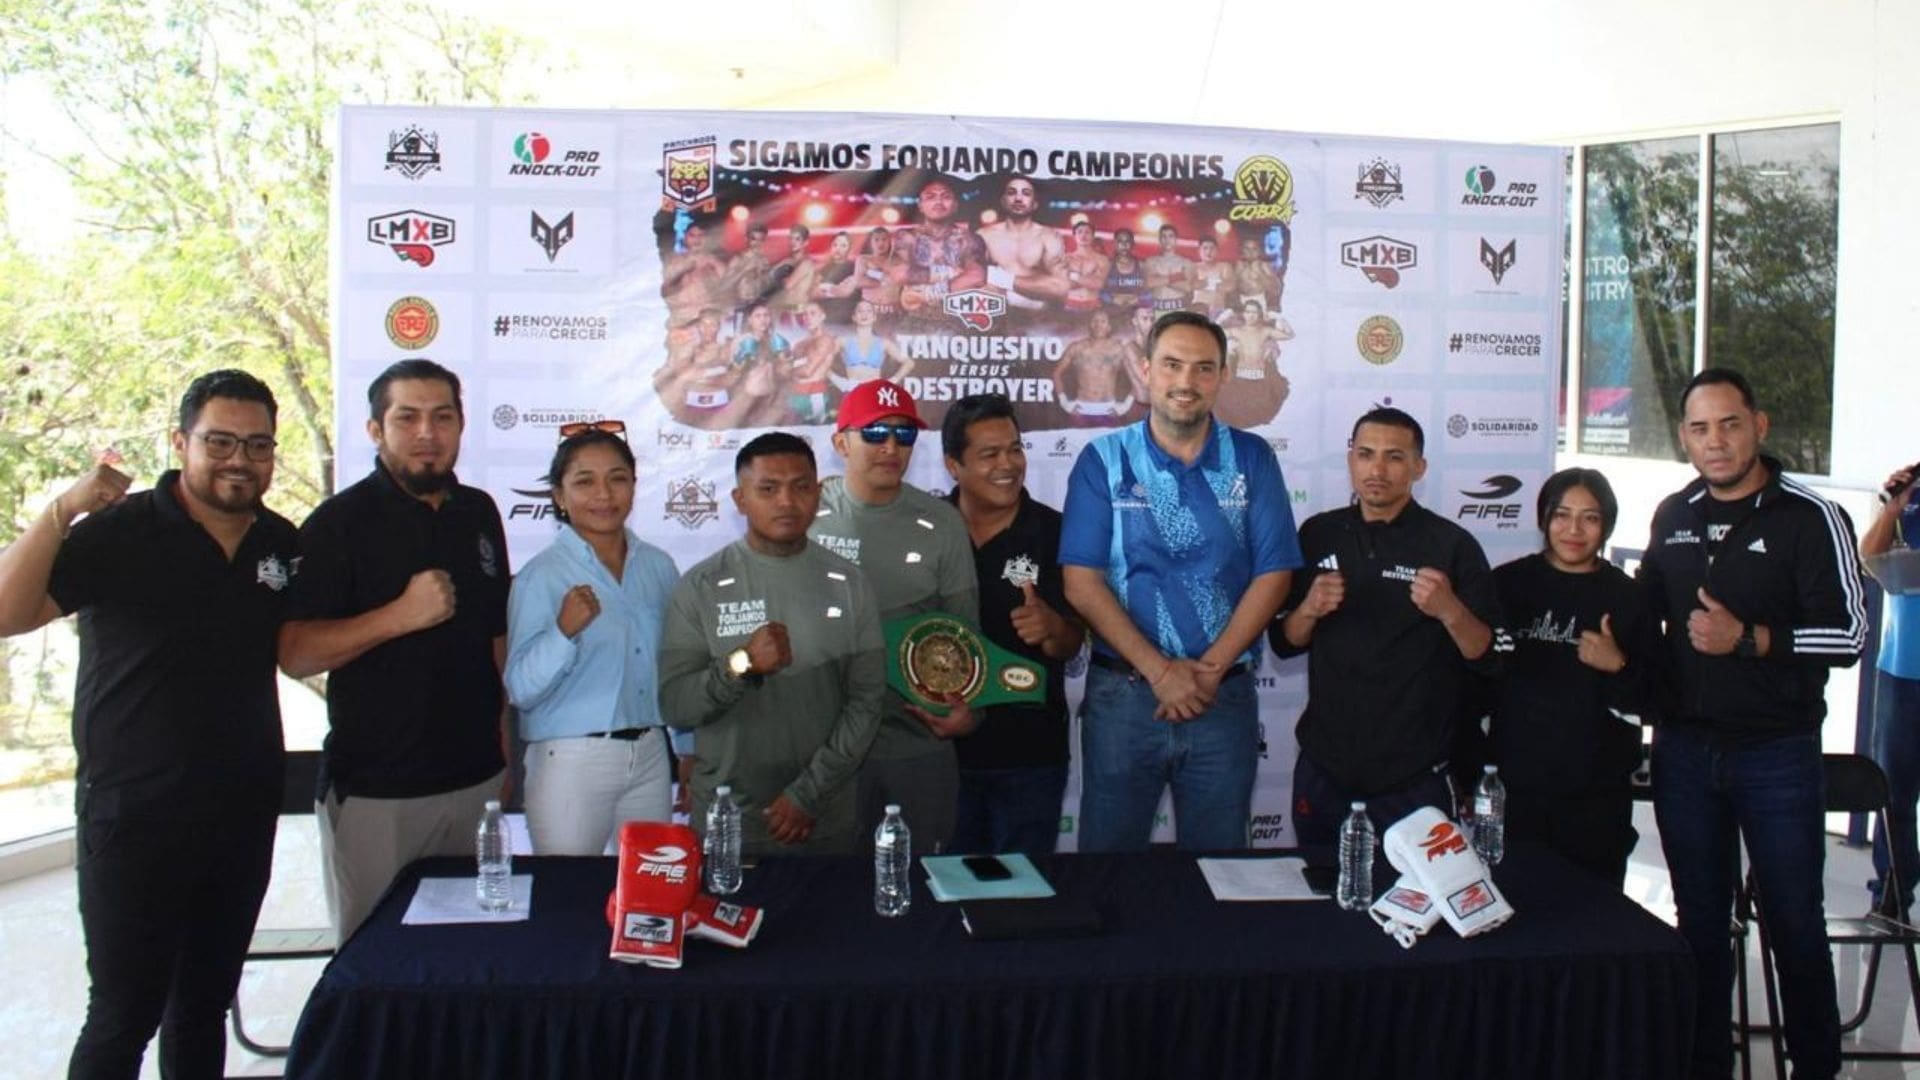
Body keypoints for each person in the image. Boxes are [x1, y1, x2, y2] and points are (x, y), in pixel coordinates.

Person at [0, 370, 298, 1080]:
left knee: (201, 1006)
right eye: (219, 441)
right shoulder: (120, 531)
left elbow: (300, 647)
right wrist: (61, 510)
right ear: (180, 442)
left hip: (241, 813)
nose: (239, 460)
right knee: (124, 1014)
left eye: (257, 445)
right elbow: (10, 613)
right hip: (134, 815)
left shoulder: (281, 542)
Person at [1640, 367, 1864, 1080]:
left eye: (1729, 424)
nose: (1716, 441)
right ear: (1684, 437)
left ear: (1759, 426)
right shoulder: (1673, 514)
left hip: (1776, 754)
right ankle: (1706, 1065)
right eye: (1700, 429)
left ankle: (1817, 1068)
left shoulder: (1810, 516)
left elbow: (1852, 636)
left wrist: (1751, 638)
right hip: (1684, 751)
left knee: (1795, 925)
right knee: (1699, 928)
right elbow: (1643, 620)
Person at [279, 358, 511, 939]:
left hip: (476, 781)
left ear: (461, 425)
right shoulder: (338, 523)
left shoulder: (478, 511)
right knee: (376, 965)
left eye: (442, 417)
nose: (427, 433)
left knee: (471, 956)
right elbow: (296, 653)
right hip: (380, 793)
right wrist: (397, 617)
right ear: (376, 430)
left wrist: (506, 743)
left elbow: (495, 636)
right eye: (407, 418)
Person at [1061, 311, 1301, 851]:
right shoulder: (1103, 460)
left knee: (1220, 875)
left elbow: (1275, 574)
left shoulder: (1253, 458)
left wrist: (1208, 672)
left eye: (1202, 368)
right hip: (1124, 701)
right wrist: (1159, 673)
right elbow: (1081, 582)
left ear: (1221, 376)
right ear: (1145, 370)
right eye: (1172, 365)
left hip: (1222, 700)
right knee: (1107, 872)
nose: (1186, 382)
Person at [1270, 407, 1507, 847]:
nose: (1377, 469)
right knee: (1316, 905)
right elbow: (1283, 643)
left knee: (1412, 909)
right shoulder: (1318, 534)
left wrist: (1449, 610)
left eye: (1394, 457)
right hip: (1325, 769)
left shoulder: (1450, 545)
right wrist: (1308, 610)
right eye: (1366, 454)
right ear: (1350, 460)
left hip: (1413, 778)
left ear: (1419, 467)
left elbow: (1491, 657)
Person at [658, 433, 885, 855]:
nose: (786, 501)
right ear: (740, 499)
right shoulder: (701, 586)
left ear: (817, 495)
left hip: (824, 816)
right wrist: (741, 662)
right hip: (729, 820)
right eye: (768, 489)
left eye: (801, 487)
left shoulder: (849, 583)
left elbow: (866, 702)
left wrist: (807, 794)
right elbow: (676, 705)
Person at [811, 379, 980, 848]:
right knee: (822, 889)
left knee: (921, 890)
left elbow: (964, 633)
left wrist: (969, 712)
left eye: (904, 435)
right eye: (875, 433)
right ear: (841, 442)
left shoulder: (942, 521)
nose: (890, 447)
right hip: (822, 747)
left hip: (916, 743)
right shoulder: (804, 513)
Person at [504, 426, 680, 855]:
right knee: (567, 899)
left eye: (617, 478)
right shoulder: (541, 576)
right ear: (559, 498)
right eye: (584, 481)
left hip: (652, 753)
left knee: (646, 895)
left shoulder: (659, 567)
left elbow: (678, 666)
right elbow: (520, 689)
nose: (603, 493)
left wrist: (687, 748)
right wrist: (563, 632)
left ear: (634, 487)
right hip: (571, 759)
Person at [1486, 467, 1658, 886]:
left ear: (1607, 525)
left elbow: (1655, 699)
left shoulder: (1629, 597)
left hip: (1595, 797)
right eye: (1562, 515)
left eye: (1590, 518)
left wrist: (1617, 664)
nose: (1573, 530)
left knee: (1592, 927)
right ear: (1544, 518)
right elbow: (1473, 683)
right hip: (1514, 790)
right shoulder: (1506, 584)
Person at [940, 394, 1084, 854]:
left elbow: (1072, 642)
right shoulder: (927, 531)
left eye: (1015, 449)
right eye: (989, 454)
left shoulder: (1056, 531)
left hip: (1028, 756)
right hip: (939, 756)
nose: (1009, 464)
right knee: (940, 901)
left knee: (1021, 901)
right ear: (952, 465)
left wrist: (1053, 628)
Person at [1865, 460, 1920, 913]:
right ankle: (1892, 889)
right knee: (1894, 787)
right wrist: (1891, 508)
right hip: (1903, 667)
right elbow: (1871, 557)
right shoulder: (1911, 492)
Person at [898, 174, 987, 326]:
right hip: (915, 319)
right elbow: (900, 274)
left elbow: (977, 276)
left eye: (945, 196)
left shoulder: (969, 239)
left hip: (959, 320)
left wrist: (934, 291)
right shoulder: (907, 238)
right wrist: (955, 275)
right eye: (930, 197)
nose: (938, 202)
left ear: (955, 205)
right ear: (920, 205)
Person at [978, 174, 1070, 311]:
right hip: (997, 319)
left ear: (1034, 204)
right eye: (1011, 193)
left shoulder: (1048, 237)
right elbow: (969, 278)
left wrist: (1002, 280)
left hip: (1038, 321)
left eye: (1026, 194)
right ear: (1003, 201)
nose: (1018, 198)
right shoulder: (985, 236)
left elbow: (1060, 288)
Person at [1214, 297, 1292, 430]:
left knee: (1260, 415)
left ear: (1259, 315)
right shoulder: (1236, 331)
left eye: (1254, 312)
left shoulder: (1265, 330)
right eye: (1248, 312)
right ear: (1243, 314)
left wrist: (1279, 318)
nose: (1251, 316)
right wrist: (1222, 318)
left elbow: (1289, 335)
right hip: (1240, 380)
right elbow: (1214, 333)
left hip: (1260, 380)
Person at [1052, 308, 1137, 425]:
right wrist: (1064, 403)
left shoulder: (1119, 349)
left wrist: (1126, 405)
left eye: (1103, 321)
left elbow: (1137, 377)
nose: (1098, 325)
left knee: (1110, 443)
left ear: (1109, 326)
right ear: (1090, 324)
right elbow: (1057, 373)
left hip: (1109, 410)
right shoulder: (1076, 347)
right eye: (1095, 321)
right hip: (1081, 410)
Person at [832, 298, 914, 391]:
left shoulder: (884, 343)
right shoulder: (843, 341)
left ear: (874, 317)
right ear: (854, 317)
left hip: (875, 391)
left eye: (868, 311)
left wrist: (893, 381)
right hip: (852, 391)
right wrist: (839, 381)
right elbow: (821, 361)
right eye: (860, 311)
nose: (864, 314)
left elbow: (909, 363)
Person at [1063, 220, 1111, 313]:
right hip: (1071, 305)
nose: (1083, 235)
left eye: (1087, 232)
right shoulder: (1066, 258)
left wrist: (1073, 275)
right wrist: (1088, 279)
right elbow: (1065, 285)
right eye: (1079, 232)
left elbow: (1099, 284)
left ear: (1093, 236)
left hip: (1093, 305)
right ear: (1074, 236)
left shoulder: (1102, 260)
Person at [1144, 224, 1193, 313]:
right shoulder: (1151, 261)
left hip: (1179, 307)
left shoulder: (1186, 262)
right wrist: (1178, 277)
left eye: (1171, 236)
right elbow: (1149, 282)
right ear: (1159, 239)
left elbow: (1187, 287)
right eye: (1164, 236)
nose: (1167, 240)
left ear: (1176, 240)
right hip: (1158, 308)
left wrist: (1160, 278)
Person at [1101, 227, 1146, 314]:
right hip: (1111, 314)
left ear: (1133, 244)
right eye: (1120, 241)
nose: (1124, 245)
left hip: (1136, 314)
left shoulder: (1142, 265)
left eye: (1127, 241)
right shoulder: (1107, 265)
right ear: (1114, 244)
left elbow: (1151, 291)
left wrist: (1138, 298)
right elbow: (1098, 291)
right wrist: (1112, 299)